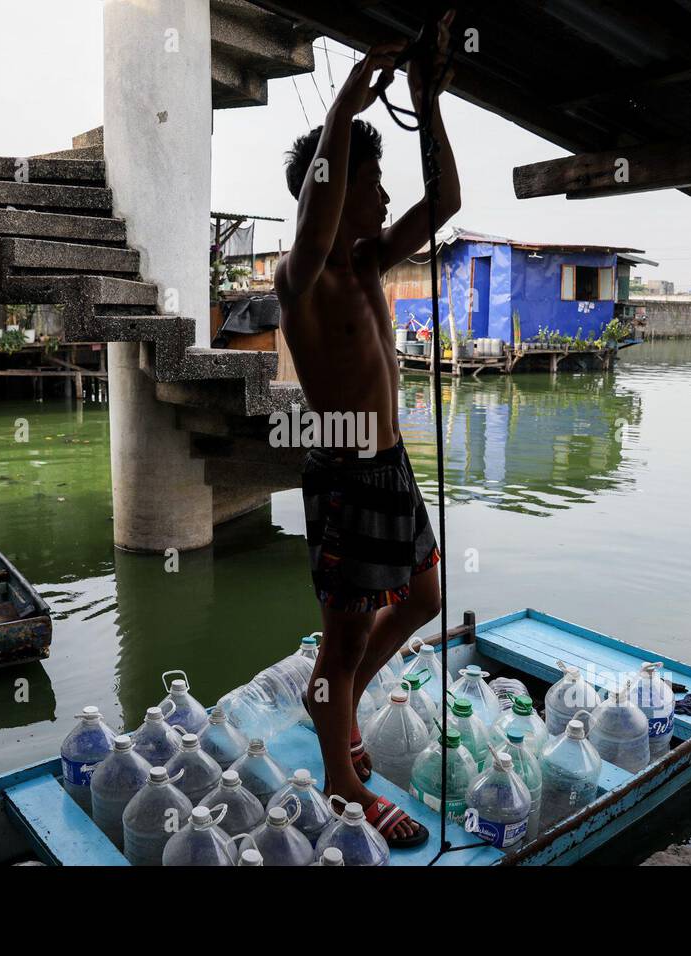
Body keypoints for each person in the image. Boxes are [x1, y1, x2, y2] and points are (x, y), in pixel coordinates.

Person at [273, 12, 459, 850]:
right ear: (336, 190)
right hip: (346, 480)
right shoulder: (301, 279)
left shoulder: (369, 262)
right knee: (340, 647)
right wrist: (348, 103)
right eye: (368, 185)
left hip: (390, 466)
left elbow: (448, 200)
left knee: (424, 598)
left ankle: (338, 709)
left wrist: (427, 100)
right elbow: (316, 215)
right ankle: (344, 787)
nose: (383, 199)